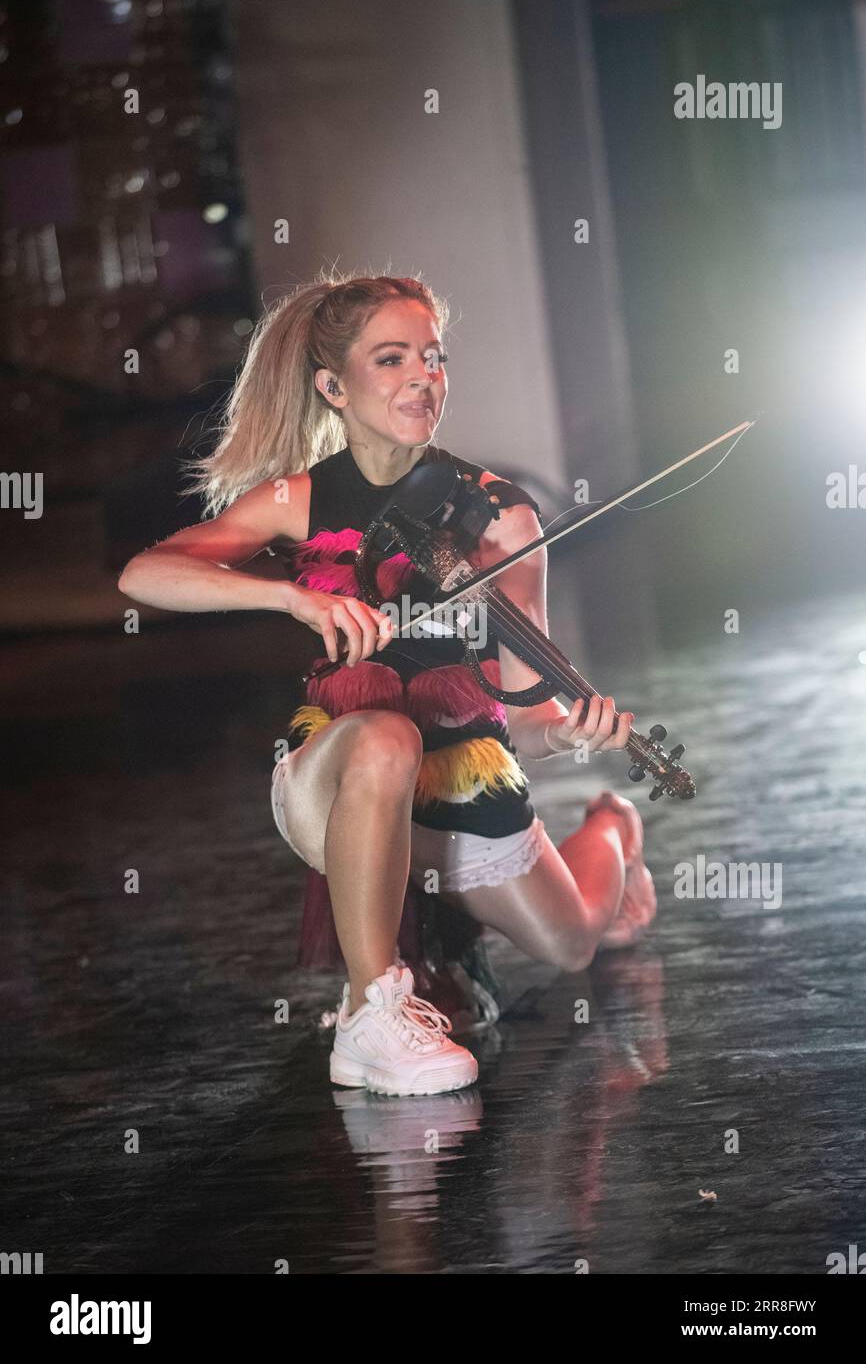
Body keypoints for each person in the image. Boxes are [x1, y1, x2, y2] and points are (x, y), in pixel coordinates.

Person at [117, 271, 656, 1099]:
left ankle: (614, 829)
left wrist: (574, 734)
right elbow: (145, 575)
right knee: (383, 734)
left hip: (463, 779)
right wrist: (287, 594)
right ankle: (374, 1016)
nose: (423, 377)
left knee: (577, 942)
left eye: (434, 359)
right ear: (334, 386)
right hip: (334, 784)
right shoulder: (299, 498)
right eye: (393, 358)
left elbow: (528, 715)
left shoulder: (501, 517)